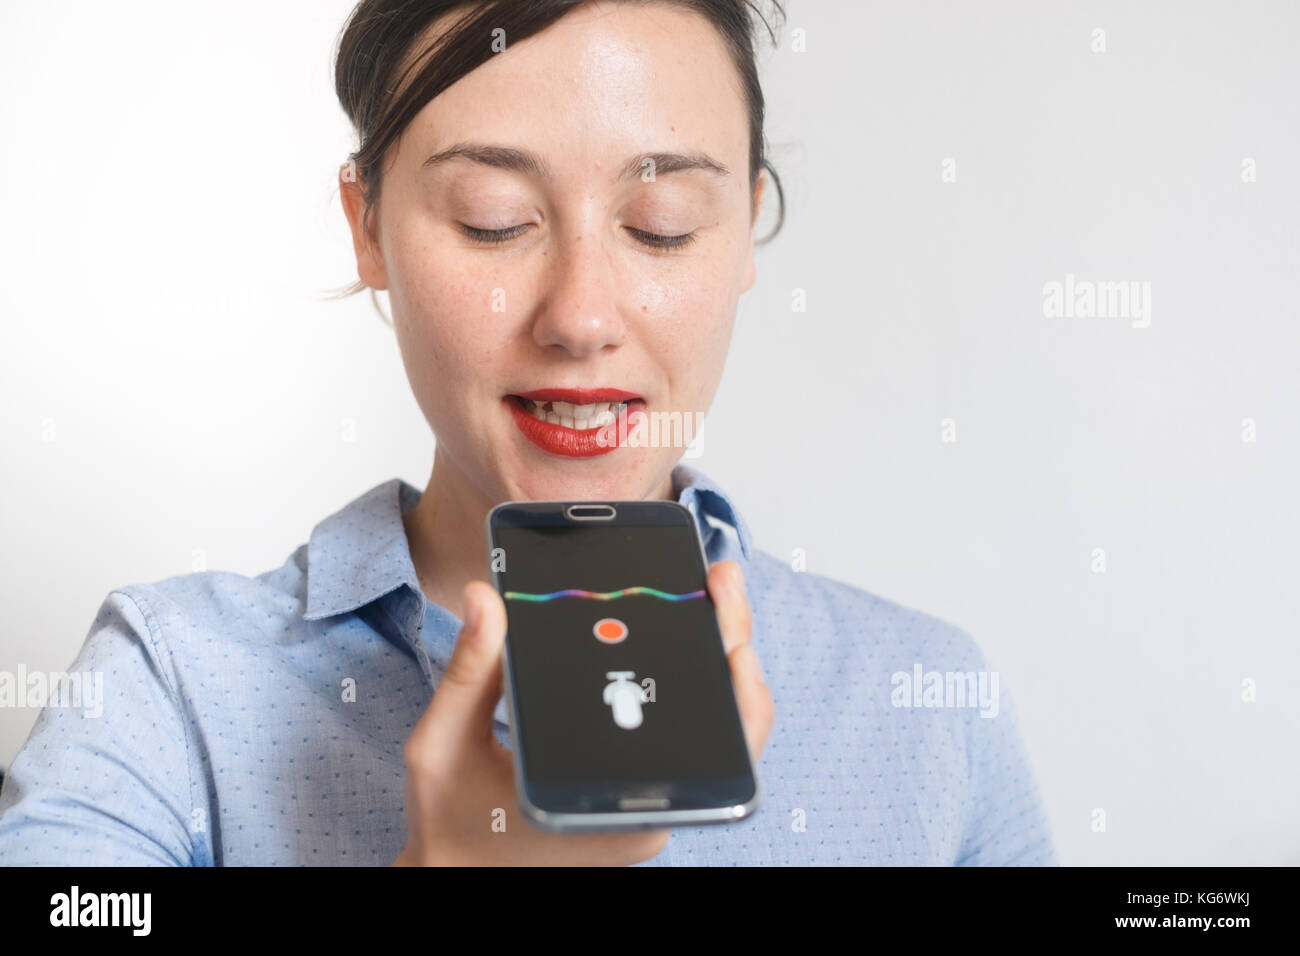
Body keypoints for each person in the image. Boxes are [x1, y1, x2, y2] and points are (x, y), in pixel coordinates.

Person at [0, 0, 1055, 866]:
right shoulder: (169, 688)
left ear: (742, 228)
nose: (581, 316)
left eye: (662, 227)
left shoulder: (927, 705)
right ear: (366, 226)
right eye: (494, 217)